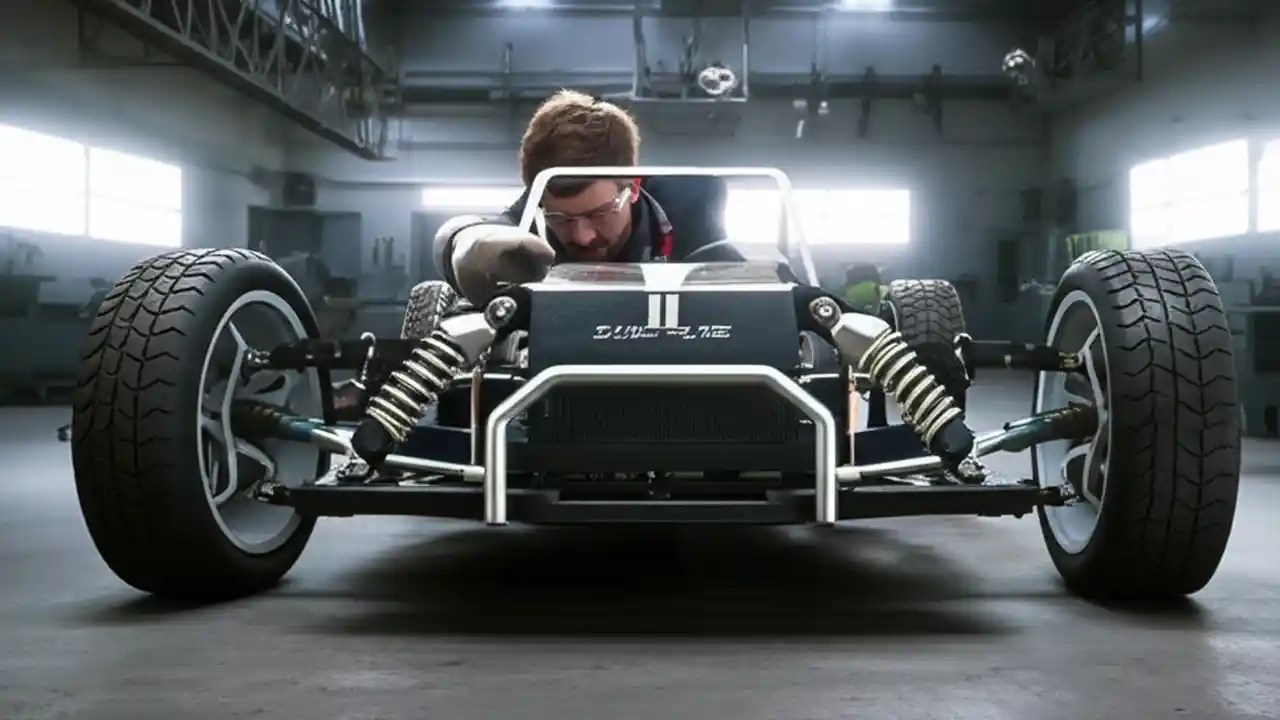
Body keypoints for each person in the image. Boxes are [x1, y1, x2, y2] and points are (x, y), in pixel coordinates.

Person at [432, 89, 739, 305]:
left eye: (599, 213)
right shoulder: (533, 214)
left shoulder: (689, 204)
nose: (582, 236)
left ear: (632, 186)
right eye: (561, 219)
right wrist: (468, 243)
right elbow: (470, 234)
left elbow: (737, 274)